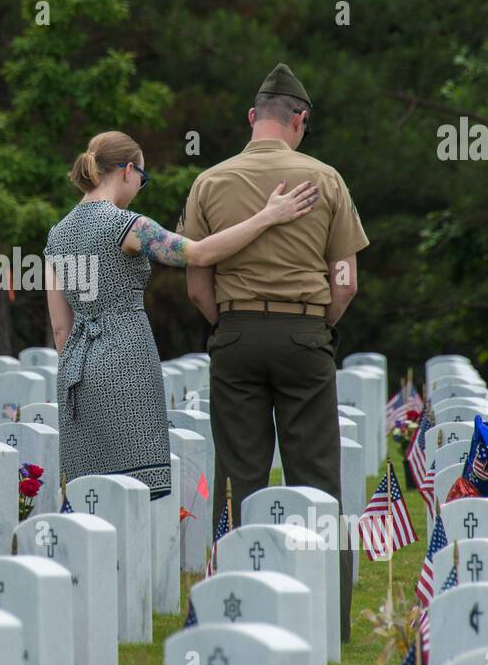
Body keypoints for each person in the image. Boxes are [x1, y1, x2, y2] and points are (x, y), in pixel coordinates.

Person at [178, 63, 369, 642]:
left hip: (235, 335)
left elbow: (195, 281)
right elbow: (346, 280)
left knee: (239, 476)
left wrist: (228, 324)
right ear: (300, 120)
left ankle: (235, 607)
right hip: (305, 336)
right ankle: (328, 618)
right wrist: (318, 326)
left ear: (252, 119)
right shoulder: (327, 180)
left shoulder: (209, 182)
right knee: (317, 482)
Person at [44, 130, 318, 502]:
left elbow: (61, 328)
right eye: (143, 178)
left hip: (76, 370)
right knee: (136, 494)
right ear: (127, 171)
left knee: (89, 493)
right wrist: (267, 217)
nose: (140, 187)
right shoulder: (125, 225)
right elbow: (200, 254)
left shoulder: (57, 236)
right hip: (125, 361)